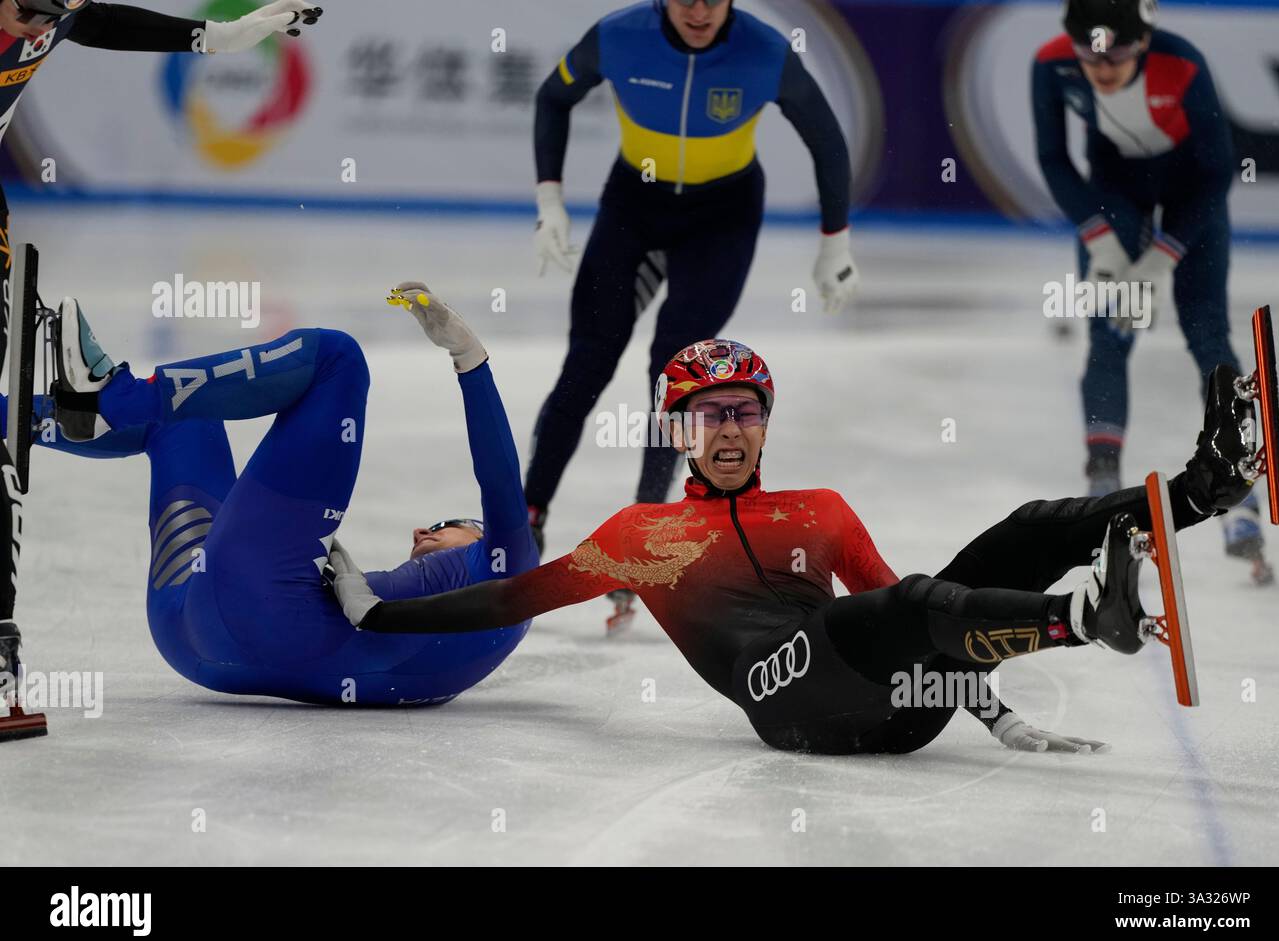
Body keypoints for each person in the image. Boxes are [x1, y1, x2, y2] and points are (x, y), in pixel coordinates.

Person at [331, 338, 1259, 754]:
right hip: (791, 709)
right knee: (904, 605)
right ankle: (1085, 618)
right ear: (679, 434)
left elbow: (927, 621)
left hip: (897, 706)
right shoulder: (640, 538)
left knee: (1016, 534)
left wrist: (997, 717)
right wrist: (381, 612)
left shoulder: (820, 511)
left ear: (764, 427)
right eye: (708, 418)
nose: (728, 431)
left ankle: (1199, 489)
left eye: (743, 414)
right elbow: (511, 597)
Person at [0, 0, 322, 727]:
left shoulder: (55, 12)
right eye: (26, 11)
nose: (36, 27)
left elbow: (99, 22)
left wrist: (211, 37)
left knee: (2, 446)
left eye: (50, 15)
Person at [7, 283, 538, 706]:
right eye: (445, 523)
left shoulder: (509, 577)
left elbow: (498, 476)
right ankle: (11, 415)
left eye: (442, 527)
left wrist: (471, 359)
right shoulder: (501, 573)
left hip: (259, 614)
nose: (423, 530)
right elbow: (501, 491)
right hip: (190, 634)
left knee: (337, 359)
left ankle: (115, 395)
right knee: (187, 424)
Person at [526, 0, 861, 554]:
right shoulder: (617, 36)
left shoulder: (766, 51)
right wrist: (550, 200)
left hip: (721, 220)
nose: (700, 11)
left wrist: (835, 243)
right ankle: (530, 512)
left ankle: (648, 526)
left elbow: (826, 139)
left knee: (673, 375)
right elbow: (552, 97)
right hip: (633, 207)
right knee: (588, 360)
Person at [1031, 0, 1272, 583]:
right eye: (1089, 54)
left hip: (1192, 197)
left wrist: (1165, 255)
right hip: (1116, 194)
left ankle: (1237, 490)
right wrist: (1102, 242)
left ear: (1143, 44)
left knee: (1207, 331)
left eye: (1115, 54)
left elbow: (1218, 172)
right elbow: (1054, 159)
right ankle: (1102, 484)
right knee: (1110, 334)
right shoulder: (1051, 63)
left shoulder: (1183, 64)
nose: (1101, 66)